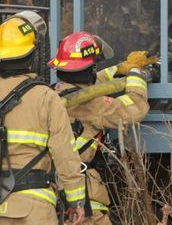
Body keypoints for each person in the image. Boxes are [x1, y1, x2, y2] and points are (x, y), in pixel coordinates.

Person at [0, 12, 85, 224]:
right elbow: (65, 155)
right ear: (31, 57)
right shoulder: (46, 97)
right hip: (30, 210)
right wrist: (75, 201)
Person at [51, 32, 152, 223]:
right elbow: (136, 106)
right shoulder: (92, 105)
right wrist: (136, 75)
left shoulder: (53, 93)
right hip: (83, 201)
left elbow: (91, 85)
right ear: (90, 69)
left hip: (53, 190)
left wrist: (120, 68)